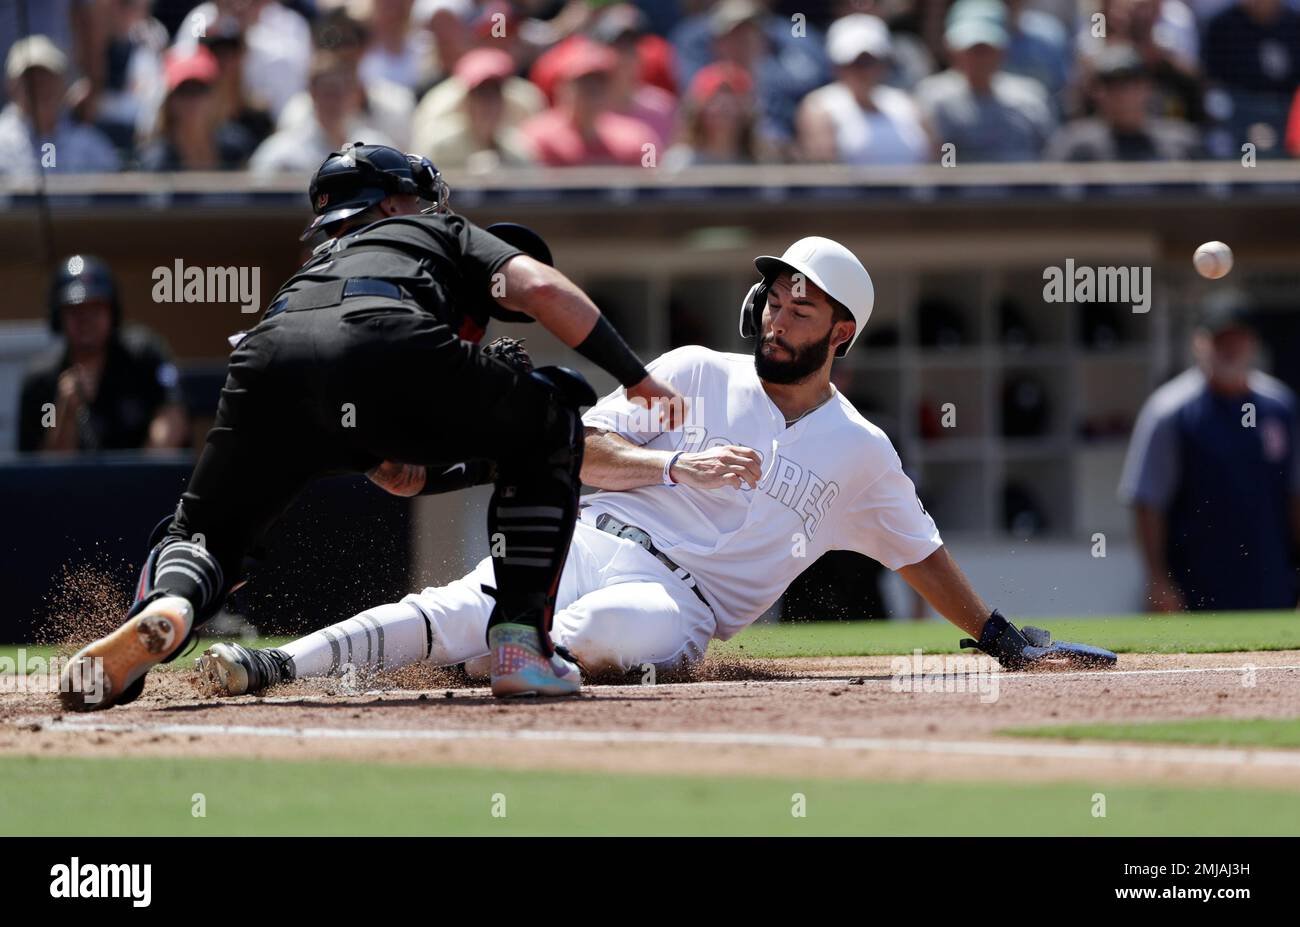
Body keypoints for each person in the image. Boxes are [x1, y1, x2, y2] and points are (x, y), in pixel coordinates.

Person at [203, 236, 1116, 696]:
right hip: (589, 533)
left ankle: (496, 658)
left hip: (680, 598)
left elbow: (918, 550)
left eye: (806, 306)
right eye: (777, 293)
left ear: (843, 332)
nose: (779, 312)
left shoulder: (861, 452)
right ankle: (275, 664)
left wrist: (1000, 635)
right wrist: (672, 467)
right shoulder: (687, 372)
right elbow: (566, 450)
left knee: (617, 629)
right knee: (449, 607)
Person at [59, 143, 683, 711]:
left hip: (266, 360)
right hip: (387, 342)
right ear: (391, 202)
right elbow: (540, 287)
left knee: (205, 534)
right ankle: (523, 647)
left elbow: (392, 467)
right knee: (555, 419)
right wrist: (635, 376)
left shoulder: (309, 269)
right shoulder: (432, 230)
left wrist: (415, 451)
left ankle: (172, 603)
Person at [1120, 297, 1300, 612]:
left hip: (1272, 577)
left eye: (1238, 338)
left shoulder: (1279, 406)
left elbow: (1295, 495)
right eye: (1220, 339)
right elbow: (1148, 501)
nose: (1230, 348)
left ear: (1253, 343)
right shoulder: (1170, 411)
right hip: (1195, 583)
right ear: (1199, 343)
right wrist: (1158, 579)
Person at [18, 255, 189, 454]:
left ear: (112, 312)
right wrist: (66, 412)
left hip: (144, 482)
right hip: (75, 485)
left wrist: (138, 478)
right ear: (59, 316)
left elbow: (172, 416)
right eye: (75, 311)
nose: (86, 320)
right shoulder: (41, 381)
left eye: (95, 309)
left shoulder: (143, 356)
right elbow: (43, 472)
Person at [912, 13, 1055, 162]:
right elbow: (945, 159)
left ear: (1001, 51)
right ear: (955, 52)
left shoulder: (1031, 98)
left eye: (986, 50)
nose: (979, 59)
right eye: (973, 51)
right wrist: (952, 177)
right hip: (963, 183)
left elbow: (1046, 155)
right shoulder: (934, 100)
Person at [796, 14, 931, 165]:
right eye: (852, 62)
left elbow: (935, 161)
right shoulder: (819, 106)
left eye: (869, 62)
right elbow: (824, 169)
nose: (862, 71)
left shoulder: (907, 104)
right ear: (836, 66)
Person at [1045, 44, 1200, 160]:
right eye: (1111, 85)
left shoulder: (1181, 142)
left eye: (1130, 83)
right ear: (1097, 92)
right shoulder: (1074, 145)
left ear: (1148, 87)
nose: (1122, 94)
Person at [0, 35, 119, 177]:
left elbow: (116, 189)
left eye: (47, 78)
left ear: (63, 85)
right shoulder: (3, 141)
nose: (40, 88)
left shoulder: (89, 145)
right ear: (11, 85)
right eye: (30, 79)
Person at [136, 46, 258, 171]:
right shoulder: (156, 162)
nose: (193, 101)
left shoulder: (238, 148)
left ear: (215, 96)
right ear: (170, 100)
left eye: (201, 89)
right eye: (185, 91)